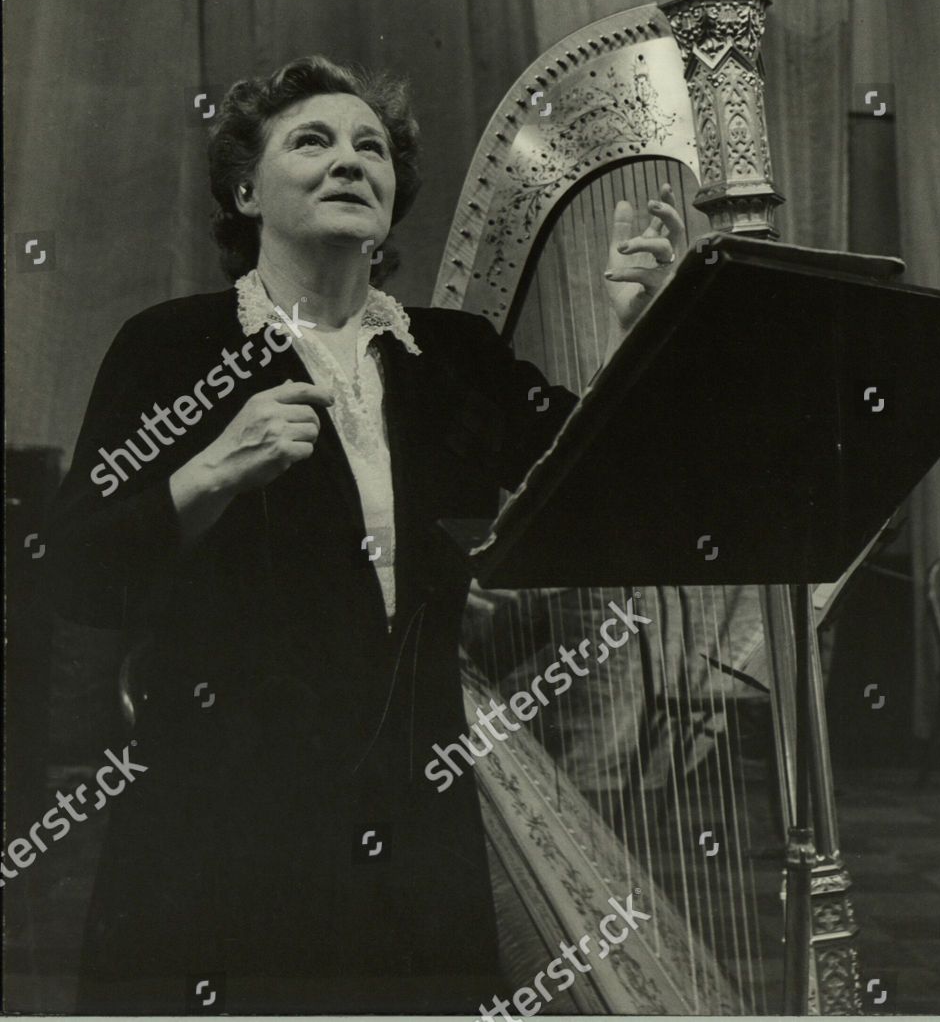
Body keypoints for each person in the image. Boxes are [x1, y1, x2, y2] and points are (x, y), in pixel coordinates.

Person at [48, 55, 685, 1013]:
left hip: (416, 801)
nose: (350, 160)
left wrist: (642, 333)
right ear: (245, 188)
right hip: (228, 815)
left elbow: (603, 490)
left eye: (371, 148)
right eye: (313, 140)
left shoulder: (451, 356)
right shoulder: (171, 345)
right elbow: (74, 575)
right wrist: (210, 471)